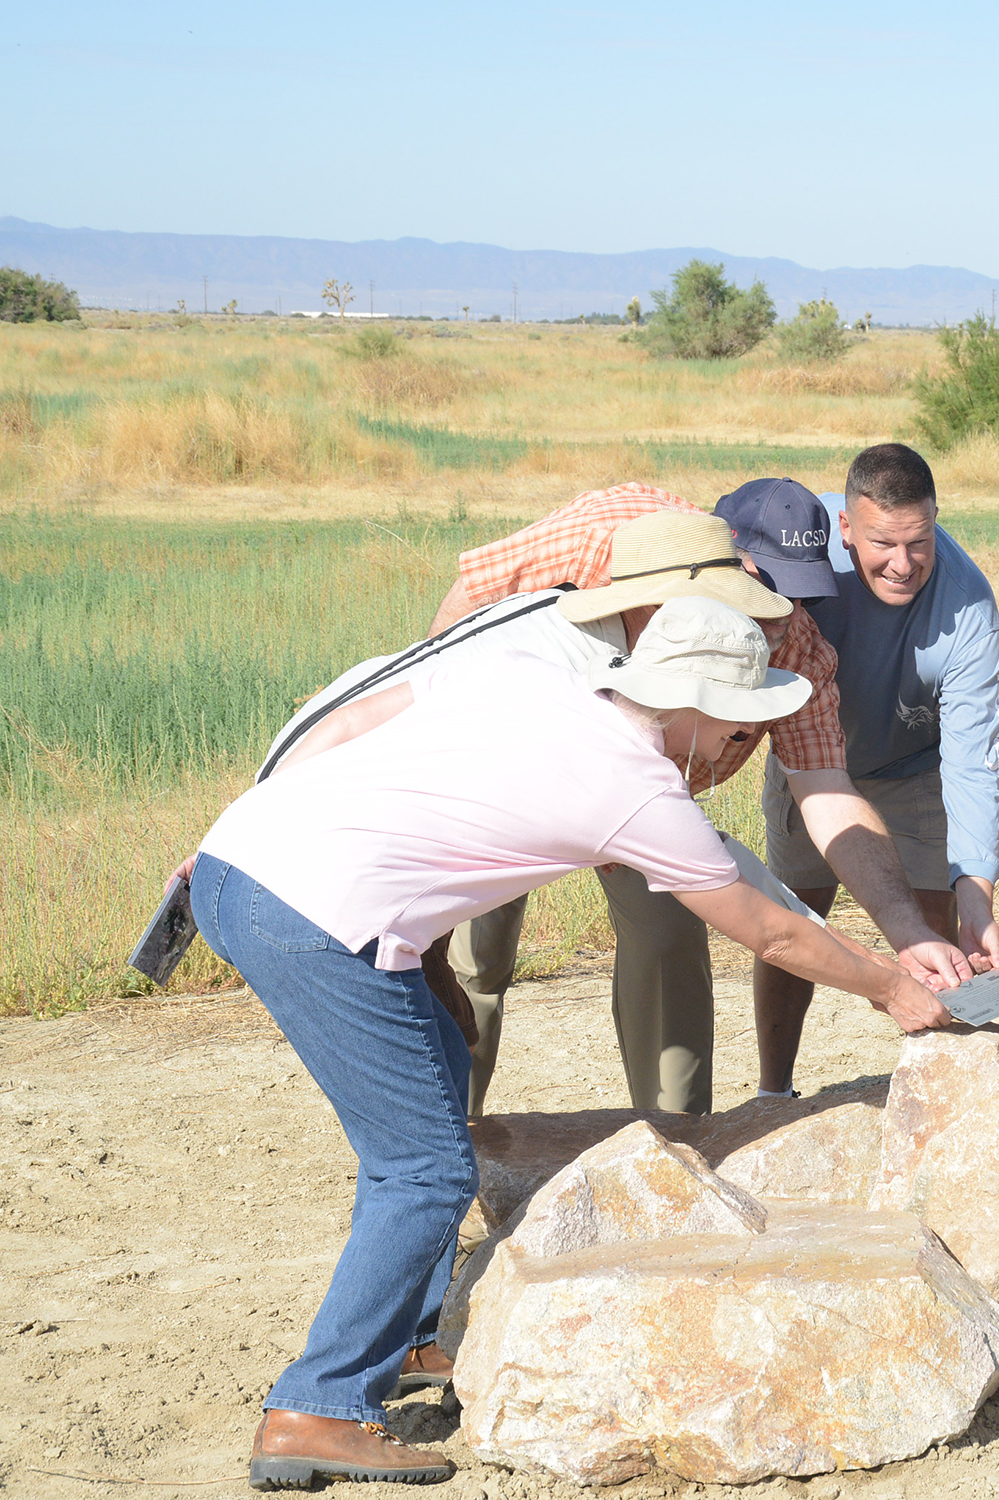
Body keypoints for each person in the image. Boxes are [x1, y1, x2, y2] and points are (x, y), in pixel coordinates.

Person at [183, 599, 950, 1489]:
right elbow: (773, 935)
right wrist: (893, 986)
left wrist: (261, 829)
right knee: (425, 1166)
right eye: (741, 729)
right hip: (310, 913)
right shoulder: (635, 790)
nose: (743, 751)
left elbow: (356, 715)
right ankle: (316, 1407)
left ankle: (410, 1334)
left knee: (430, 1077)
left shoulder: (538, 681)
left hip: (241, 858)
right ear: (696, 709)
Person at [421, 482, 968, 1114]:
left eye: (799, 589)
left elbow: (826, 796)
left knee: (669, 945)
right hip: (503, 772)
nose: (777, 609)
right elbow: (467, 606)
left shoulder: (798, 646)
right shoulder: (607, 539)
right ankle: (450, 1142)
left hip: (646, 803)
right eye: (764, 583)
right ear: (715, 555)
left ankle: (676, 1145)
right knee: (474, 963)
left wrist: (905, 934)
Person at [757, 443, 999, 1095]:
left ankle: (938, 1096)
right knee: (797, 918)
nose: (903, 565)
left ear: (934, 521)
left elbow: (976, 764)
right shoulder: (801, 550)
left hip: (912, 763)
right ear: (845, 527)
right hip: (810, 758)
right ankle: (773, 1091)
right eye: (882, 544)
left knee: (933, 932)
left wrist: (976, 892)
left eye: (919, 542)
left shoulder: (970, 610)